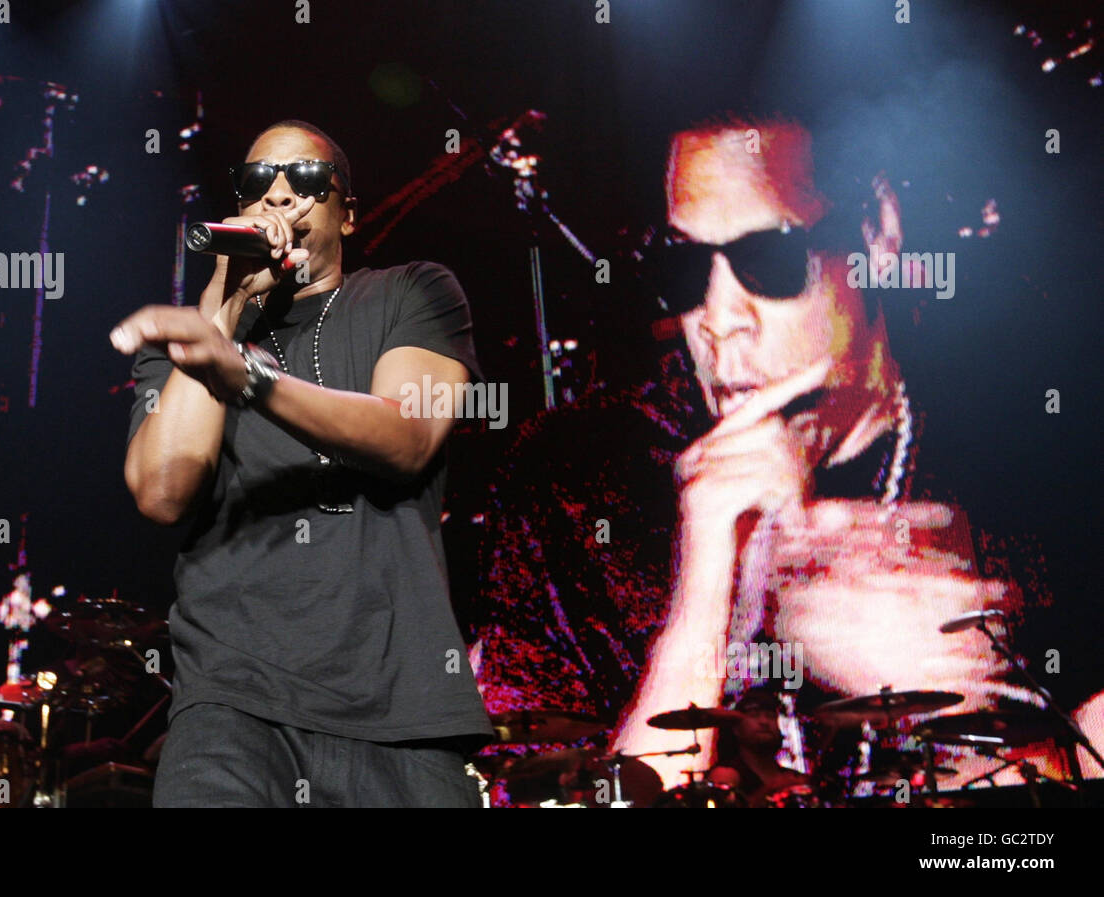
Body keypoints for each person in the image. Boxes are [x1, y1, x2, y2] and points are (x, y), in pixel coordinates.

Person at [475, 110, 1076, 804]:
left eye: (768, 260)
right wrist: (703, 592)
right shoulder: (576, 480)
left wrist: (951, 706)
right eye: (683, 265)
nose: (719, 315)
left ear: (877, 231)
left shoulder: (1038, 453)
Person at [110, 120, 492, 807]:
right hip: (231, 711)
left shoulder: (413, 292)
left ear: (349, 212)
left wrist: (250, 378)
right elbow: (163, 491)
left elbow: (407, 435)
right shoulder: (187, 345)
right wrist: (222, 314)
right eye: (258, 181)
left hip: (404, 715)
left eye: (308, 179)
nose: (280, 195)